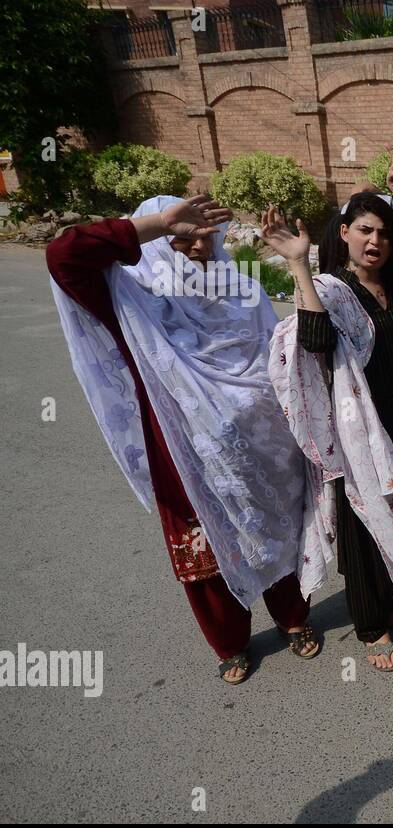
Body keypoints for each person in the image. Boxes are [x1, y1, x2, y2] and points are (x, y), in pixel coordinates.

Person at [47, 195, 318, 684]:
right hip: (184, 455)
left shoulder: (242, 291)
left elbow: (281, 364)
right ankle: (230, 642)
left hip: (267, 452)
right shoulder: (134, 301)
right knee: (205, 547)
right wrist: (155, 223)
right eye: (181, 235)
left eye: (203, 234)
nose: (196, 245)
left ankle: (293, 617)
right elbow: (64, 254)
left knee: (278, 528)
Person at [263, 189, 393, 672]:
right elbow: (317, 341)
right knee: (366, 525)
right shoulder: (330, 290)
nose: (376, 241)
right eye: (365, 230)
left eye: (385, 233)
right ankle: (371, 625)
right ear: (344, 234)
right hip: (361, 430)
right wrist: (300, 266)